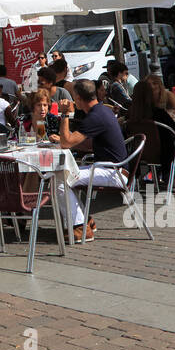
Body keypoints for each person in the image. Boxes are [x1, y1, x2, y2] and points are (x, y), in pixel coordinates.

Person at [57, 79, 130, 239]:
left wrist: (65, 114)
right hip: (113, 169)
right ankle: (86, 220)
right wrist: (65, 141)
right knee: (65, 176)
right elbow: (82, 143)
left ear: (77, 98)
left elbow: (66, 143)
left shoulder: (95, 117)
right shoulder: (102, 111)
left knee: (61, 181)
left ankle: (79, 227)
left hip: (113, 173)